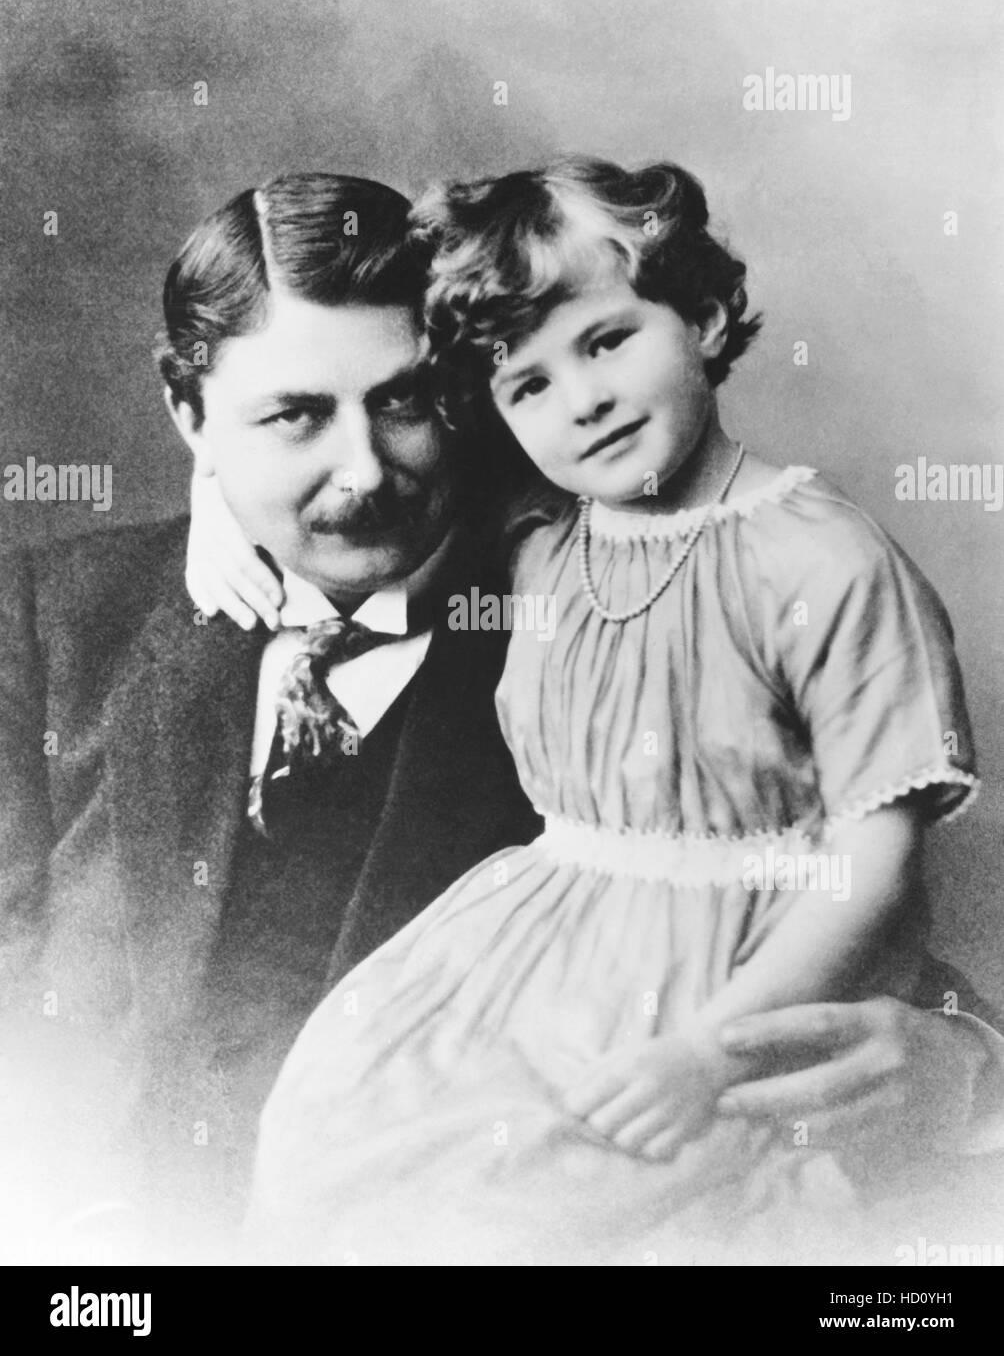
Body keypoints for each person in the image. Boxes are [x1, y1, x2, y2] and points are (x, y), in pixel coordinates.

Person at [207, 157, 998, 1264]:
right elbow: (367, 464)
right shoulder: (540, 538)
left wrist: (711, 1054)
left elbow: (873, 868)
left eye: (607, 341)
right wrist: (217, 473)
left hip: (725, 992)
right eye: (526, 385)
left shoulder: (824, 559)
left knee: (544, 1212)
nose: (579, 400)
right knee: (336, 1131)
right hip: (521, 968)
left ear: (706, 314)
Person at [0, 173, 541, 1260]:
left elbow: (807, 949)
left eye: (404, 401)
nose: (364, 472)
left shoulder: (585, 628)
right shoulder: (47, 625)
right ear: (186, 407)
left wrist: (959, 1053)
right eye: (295, 414)